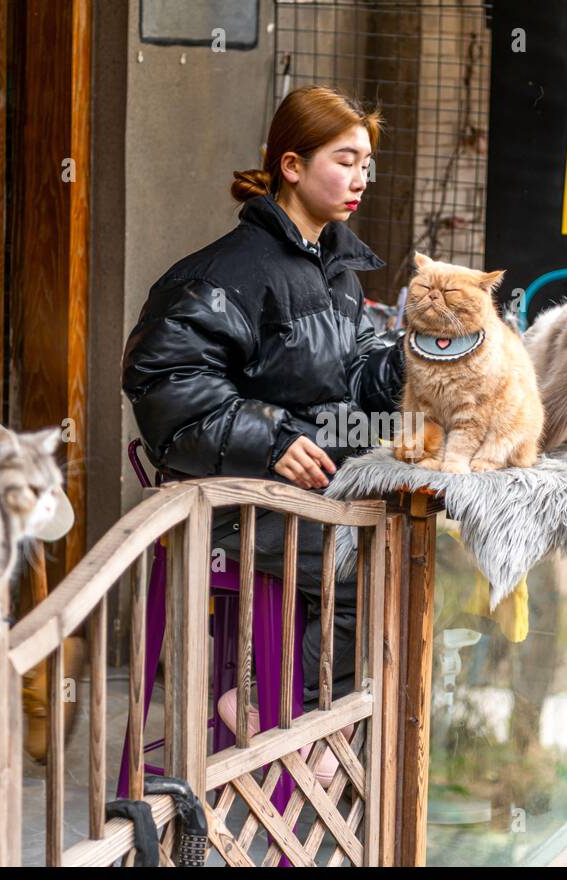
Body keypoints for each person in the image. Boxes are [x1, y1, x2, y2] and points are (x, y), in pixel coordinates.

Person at [122, 85, 404, 753]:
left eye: (367, 162)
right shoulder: (221, 274)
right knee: (365, 563)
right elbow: (163, 387)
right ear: (292, 166)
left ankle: (314, 721)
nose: (359, 177)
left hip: (306, 491)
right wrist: (272, 437)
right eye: (344, 159)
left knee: (408, 546)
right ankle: (280, 708)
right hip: (230, 496)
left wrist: (414, 357)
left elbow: (358, 379)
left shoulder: (336, 273)